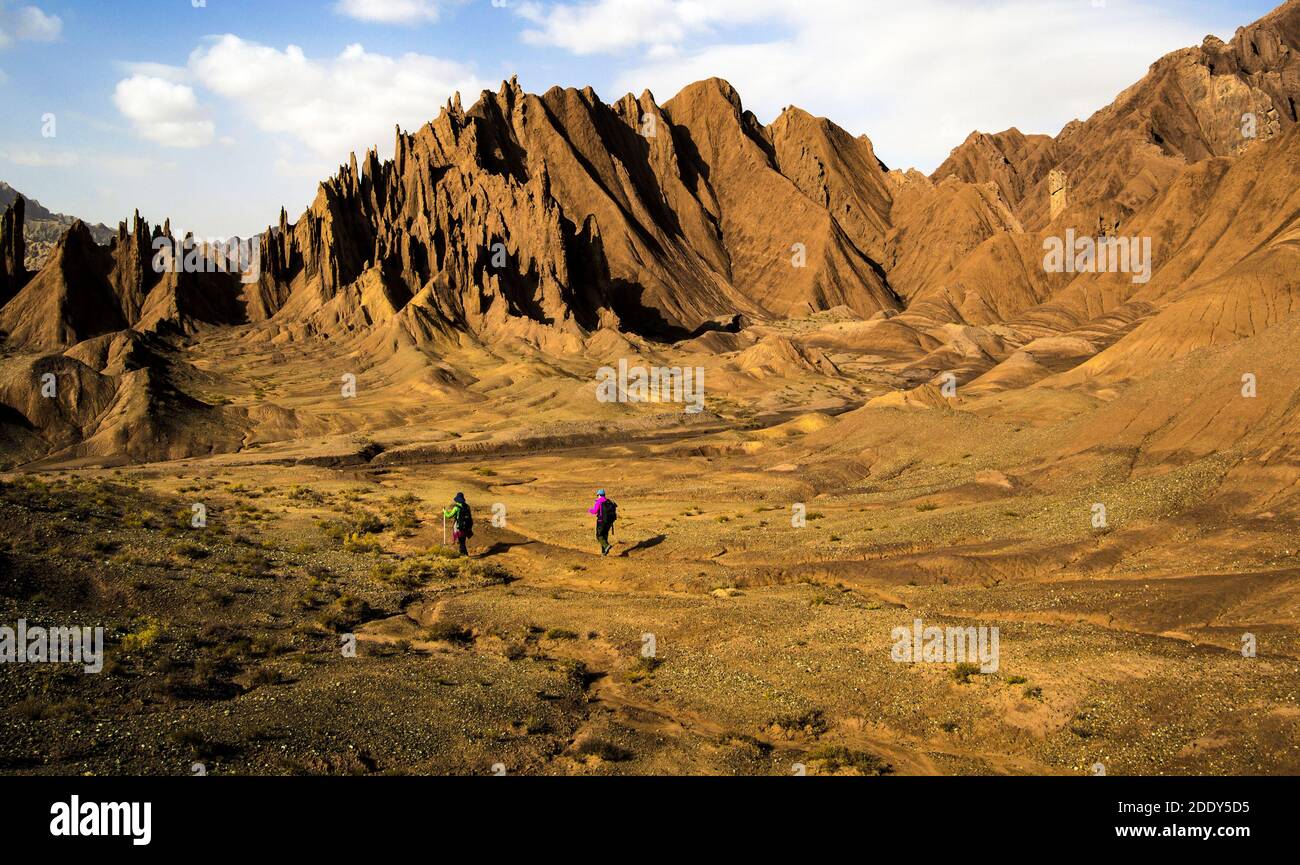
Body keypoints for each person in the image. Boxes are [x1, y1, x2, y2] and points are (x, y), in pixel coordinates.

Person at [443, 492, 473, 556]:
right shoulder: (467, 506)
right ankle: (461, 554)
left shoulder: (456, 508)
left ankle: (465, 555)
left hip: (459, 527)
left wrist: (444, 512)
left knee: (461, 542)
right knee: (462, 541)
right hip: (467, 527)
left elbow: (449, 516)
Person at [588, 489, 617, 555]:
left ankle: (606, 546)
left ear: (599, 495)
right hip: (609, 522)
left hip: (601, 521)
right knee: (605, 536)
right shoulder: (608, 501)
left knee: (599, 536)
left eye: (597, 495)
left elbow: (595, 511)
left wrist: (590, 510)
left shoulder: (599, 502)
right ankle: (604, 552)